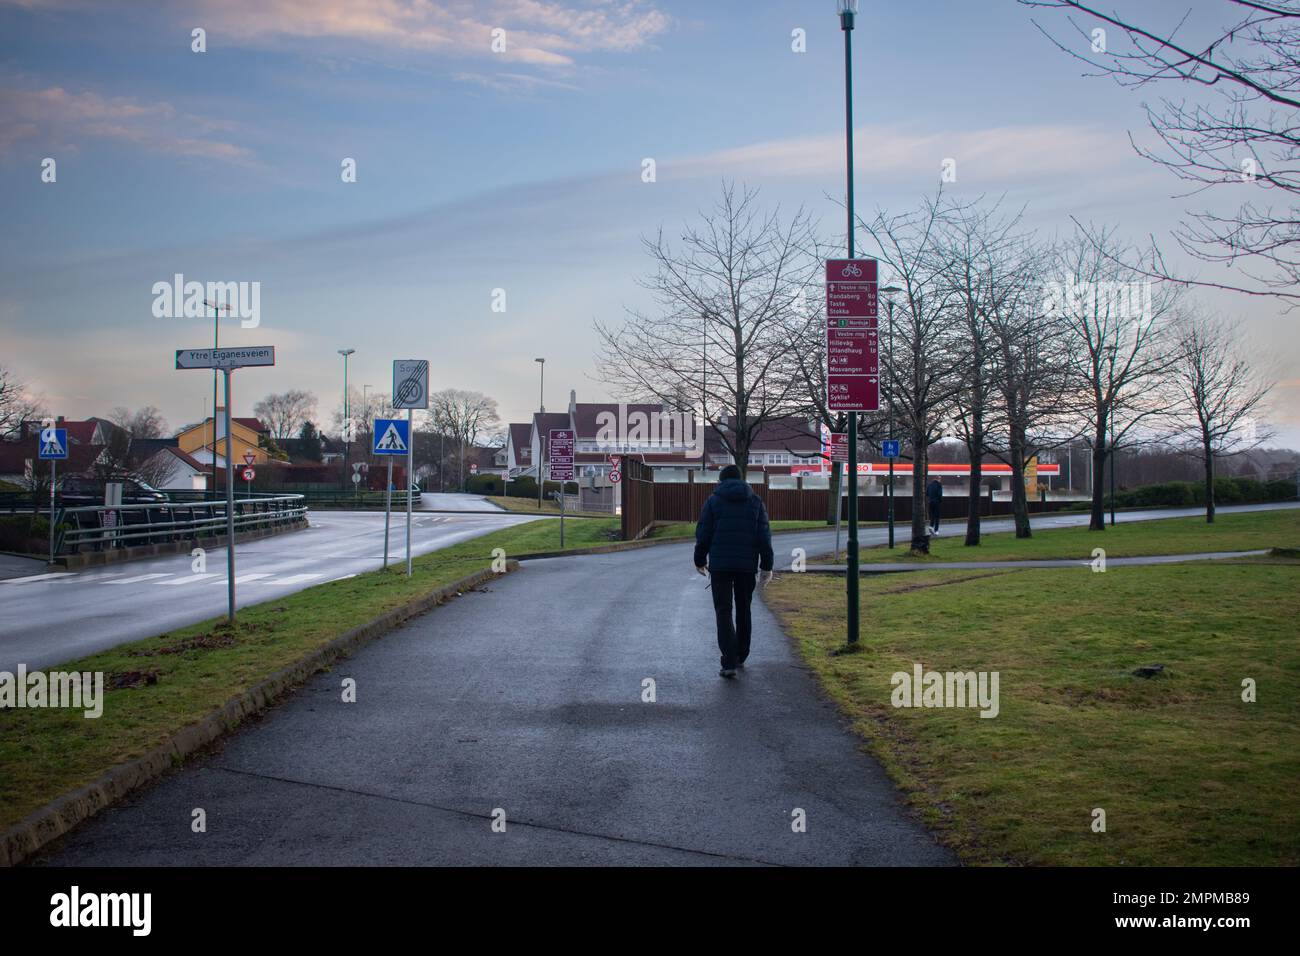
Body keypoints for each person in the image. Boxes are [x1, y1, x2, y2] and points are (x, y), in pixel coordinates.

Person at [693, 464, 775, 679]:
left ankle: (728, 661)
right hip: (746, 566)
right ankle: (741, 654)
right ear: (742, 480)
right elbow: (764, 537)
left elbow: (703, 533)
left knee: (723, 610)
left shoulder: (713, 501)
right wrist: (767, 566)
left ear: (721, 481)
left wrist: (699, 559)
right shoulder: (756, 501)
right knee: (743, 608)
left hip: (720, 566)